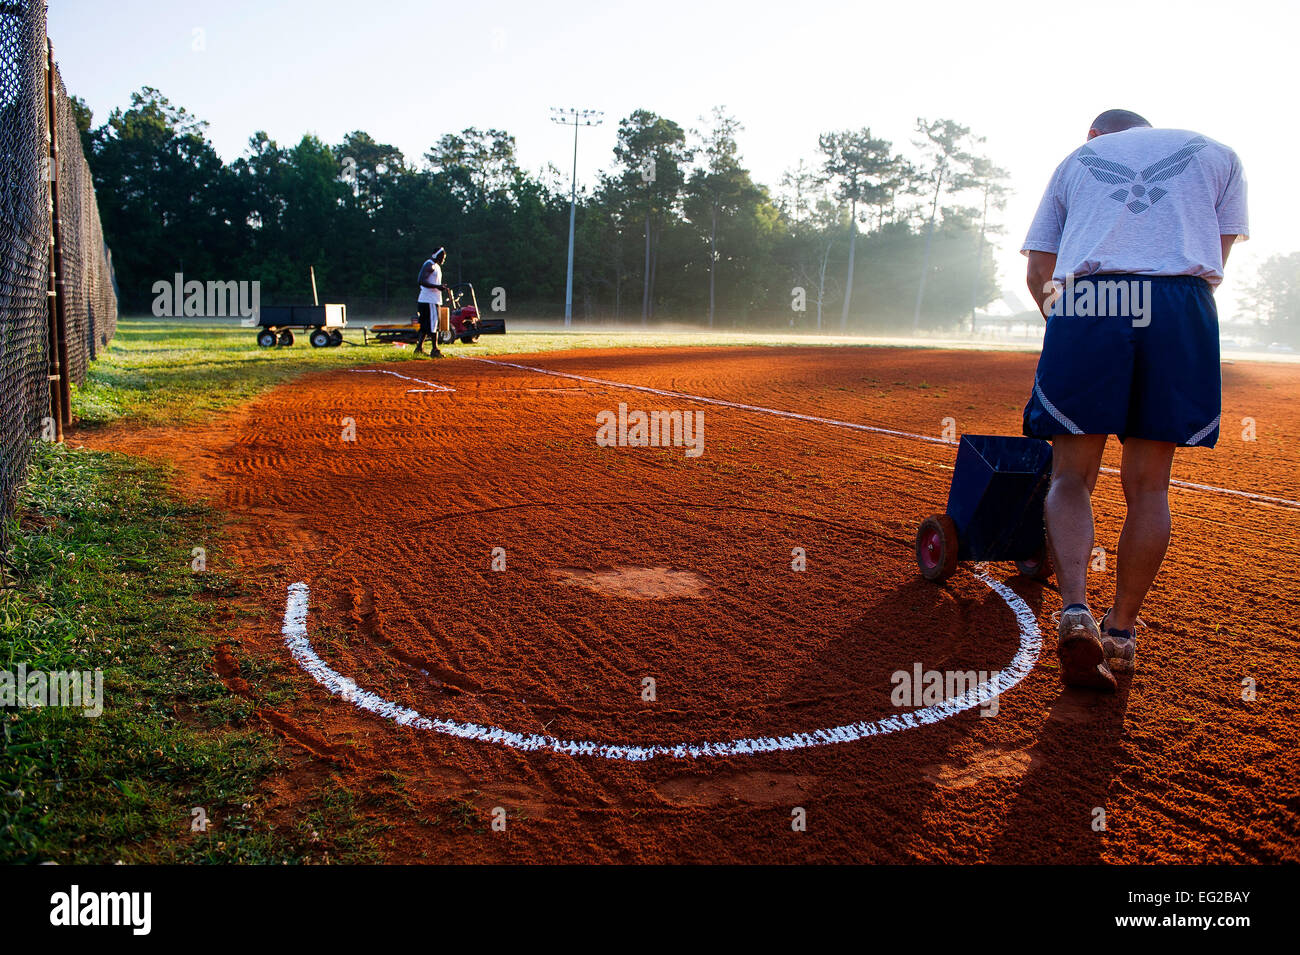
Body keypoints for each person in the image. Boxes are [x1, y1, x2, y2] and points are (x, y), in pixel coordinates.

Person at [1021, 109, 1249, 690]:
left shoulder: (1077, 160)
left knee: (1072, 475)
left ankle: (1074, 608)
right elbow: (1217, 257)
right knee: (1150, 484)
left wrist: (1067, 323)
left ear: (1098, 136)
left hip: (1093, 299)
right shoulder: (1218, 153)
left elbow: (1041, 268)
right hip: (1181, 305)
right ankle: (1121, 632)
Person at [415, 247, 452, 357]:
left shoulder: (435, 266)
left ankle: (419, 348)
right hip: (430, 300)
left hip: (427, 300)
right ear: (438, 256)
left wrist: (439, 286)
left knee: (425, 325)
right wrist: (437, 287)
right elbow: (421, 280)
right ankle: (435, 349)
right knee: (433, 325)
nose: (444, 260)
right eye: (443, 258)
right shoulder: (430, 264)